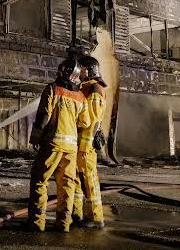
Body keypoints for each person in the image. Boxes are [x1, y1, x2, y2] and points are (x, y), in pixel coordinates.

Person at [27, 58, 90, 233]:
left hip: (52, 144)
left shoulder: (52, 89)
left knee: (40, 181)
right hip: (71, 148)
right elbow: (85, 122)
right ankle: (63, 224)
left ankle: (37, 223)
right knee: (67, 186)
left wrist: (35, 138)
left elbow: (43, 116)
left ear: (64, 72)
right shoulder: (81, 96)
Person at [72, 55, 107, 228]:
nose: (79, 71)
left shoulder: (94, 89)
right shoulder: (86, 88)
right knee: (77, 178)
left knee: (89, 179)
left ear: (90, 70)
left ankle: (95, 217)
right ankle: (77, 213)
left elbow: (92, 121)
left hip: (85, 143)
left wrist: (86, 144)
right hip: (78, 142)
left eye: (82, 68)